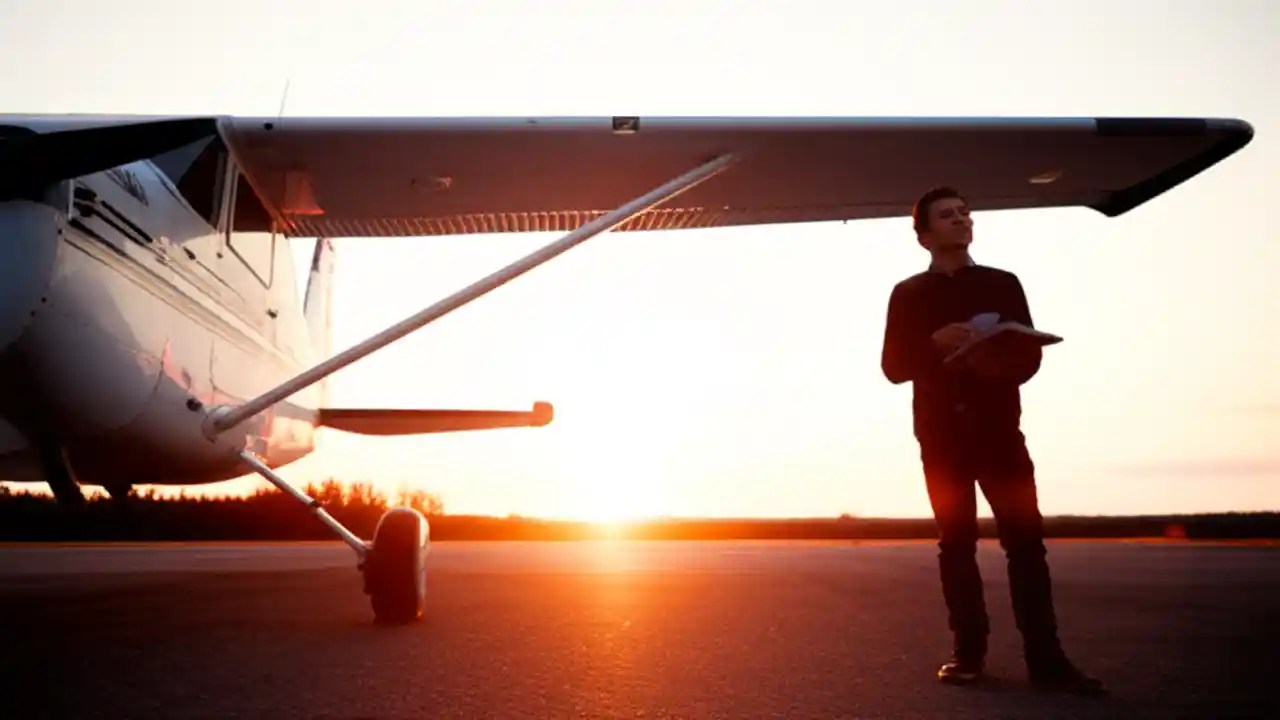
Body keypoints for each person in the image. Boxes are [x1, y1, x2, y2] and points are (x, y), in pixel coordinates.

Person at [880, 186, 1105, 694]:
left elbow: (1028, 358)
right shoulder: (908, 293)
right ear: (924, 235)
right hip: (940, 435)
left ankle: (1047, 660)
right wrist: (933, 345)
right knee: (956, 545)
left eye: (965, 213)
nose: (962, 220)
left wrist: (996, 358)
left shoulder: (1004, 283)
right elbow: (893, 368)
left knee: (1026, 545)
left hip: (1000, 429)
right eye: (948, 215)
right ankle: (968, 654)